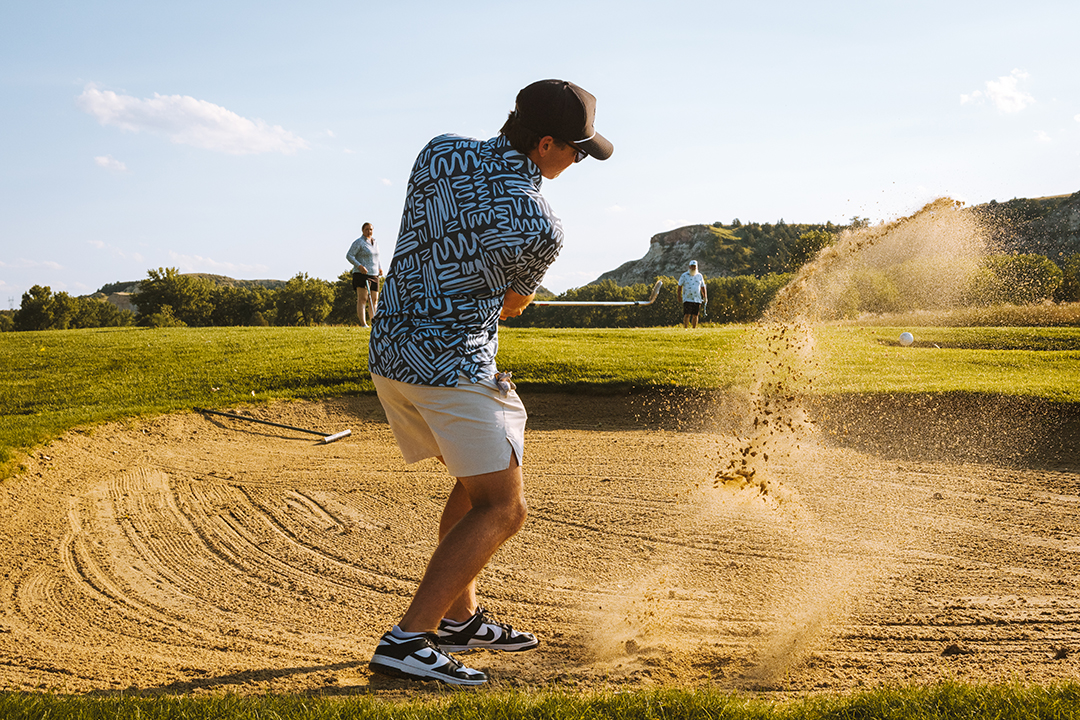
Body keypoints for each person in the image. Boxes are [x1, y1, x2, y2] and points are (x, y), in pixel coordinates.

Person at [366, 79, 613, 685]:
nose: (579, 160)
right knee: (505, 507)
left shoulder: (438, 150)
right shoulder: (541, 222)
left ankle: (460, 618)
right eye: (576, 150)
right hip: (452, 366)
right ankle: (409, 638)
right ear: (546, 143)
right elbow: (511, 306)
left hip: (391, 349)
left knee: (479, 484)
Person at [346, 222, 383, 327]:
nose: (369, 231)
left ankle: (373, 322)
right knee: (363, 299)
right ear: (363, 230)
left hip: (374, 274)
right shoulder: (359, 242)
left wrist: (380, 267)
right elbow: (349, 255)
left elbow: (377, 257)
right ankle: (363, 323)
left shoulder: (375, 242)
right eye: (367, 229)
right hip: (362, 274)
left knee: (375, 299)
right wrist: (360, 266)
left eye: (370, 229)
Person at [678, 260, 707, 328]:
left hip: (697, 298)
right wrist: (679, 296)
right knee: (687, 314)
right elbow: (679, 286)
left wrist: (705, 296)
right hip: (687, 298)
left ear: (696, 267)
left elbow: (703, 287)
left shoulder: (700, 276)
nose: (693, 268)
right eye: (692, 266)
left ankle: (694, 328)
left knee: (695, 315)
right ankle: (685, 328)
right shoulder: (684, 275)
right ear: (689, 267)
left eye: (694, 267)